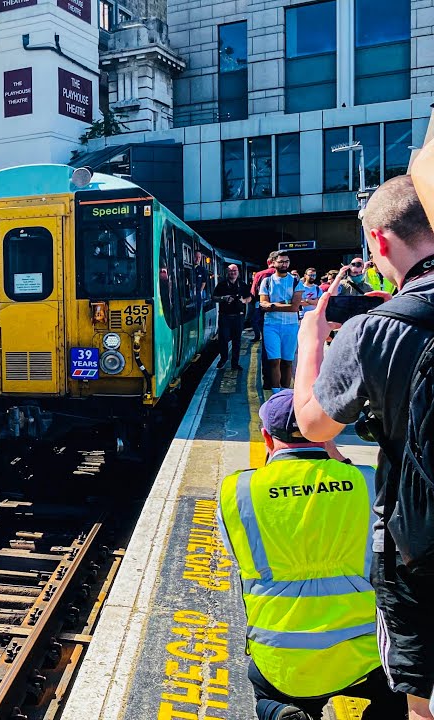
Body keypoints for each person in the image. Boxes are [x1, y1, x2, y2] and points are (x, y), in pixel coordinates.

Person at [295, 175, 434, 720]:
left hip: (417, 547)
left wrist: (312, 345)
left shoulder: (374, 332)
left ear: (378, 244)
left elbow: (314, 425)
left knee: (421, 705)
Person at [218, 391, 405, 720]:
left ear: (266, 436)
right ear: (328, 433)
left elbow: (240, 554)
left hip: (283, 656)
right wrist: (340, 461)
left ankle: (279, 712)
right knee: (400, 690)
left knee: (264, 687)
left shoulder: (237, 492)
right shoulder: (365, 481)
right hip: (365, 652)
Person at [259, 254, 301, 389]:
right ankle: (276, 392)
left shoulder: (295, 281)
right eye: (281, 262)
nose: (284, 264)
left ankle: (286, 391)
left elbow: (295, 307)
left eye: (287, 262)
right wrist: (284, 304)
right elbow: (262, 304)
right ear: (273, 263)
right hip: (271, 325)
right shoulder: (266, 281)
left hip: (291, 325)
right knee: (274, 361)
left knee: (288, 361)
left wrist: (272, 305)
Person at [214, 263, 251, 369]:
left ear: (238, 272)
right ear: (227, 272)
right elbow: (214, 297)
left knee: (237, 341)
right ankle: (223, 358)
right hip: (225, 316)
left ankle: (235, 363)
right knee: (223, 339)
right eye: (231, 271)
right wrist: (223, 298)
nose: (233, 273)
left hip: (238, 317)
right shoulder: (221, 285)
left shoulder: (242, 284)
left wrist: (243, 300)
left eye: (235, 271)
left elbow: (249, 298)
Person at [251, 251, 281, 344]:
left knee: (256, 321)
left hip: (263, 305)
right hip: (281, 307)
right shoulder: (287, 276)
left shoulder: (260, 274)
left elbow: (253, 292)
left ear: (269, 262)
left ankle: (258, 336)